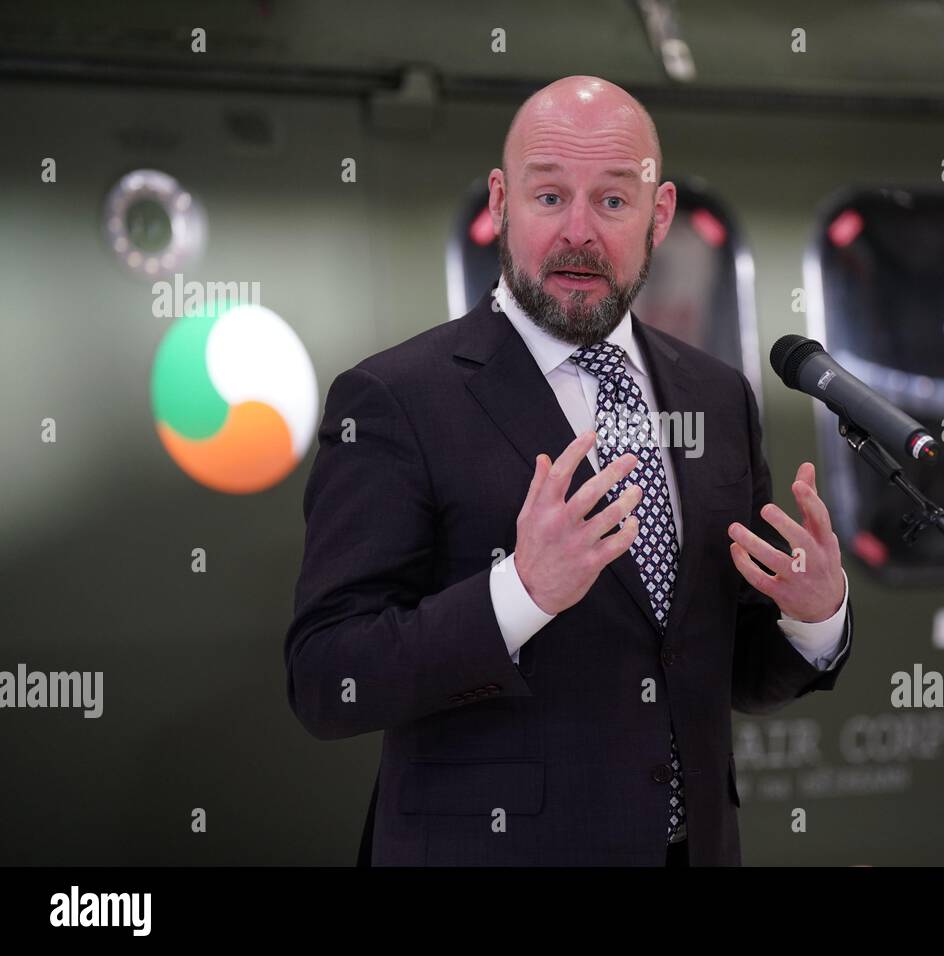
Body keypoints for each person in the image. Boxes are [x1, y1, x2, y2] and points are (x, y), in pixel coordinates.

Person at [285, 75, 854, 866]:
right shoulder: (394, 398)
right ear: (501, 203)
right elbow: (326, 678)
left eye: (613, 202)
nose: (578, 232)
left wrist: (815, 615)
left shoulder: (716, 396)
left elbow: (730, 672)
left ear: (658, 217)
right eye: (549, 197)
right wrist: (520, 593)